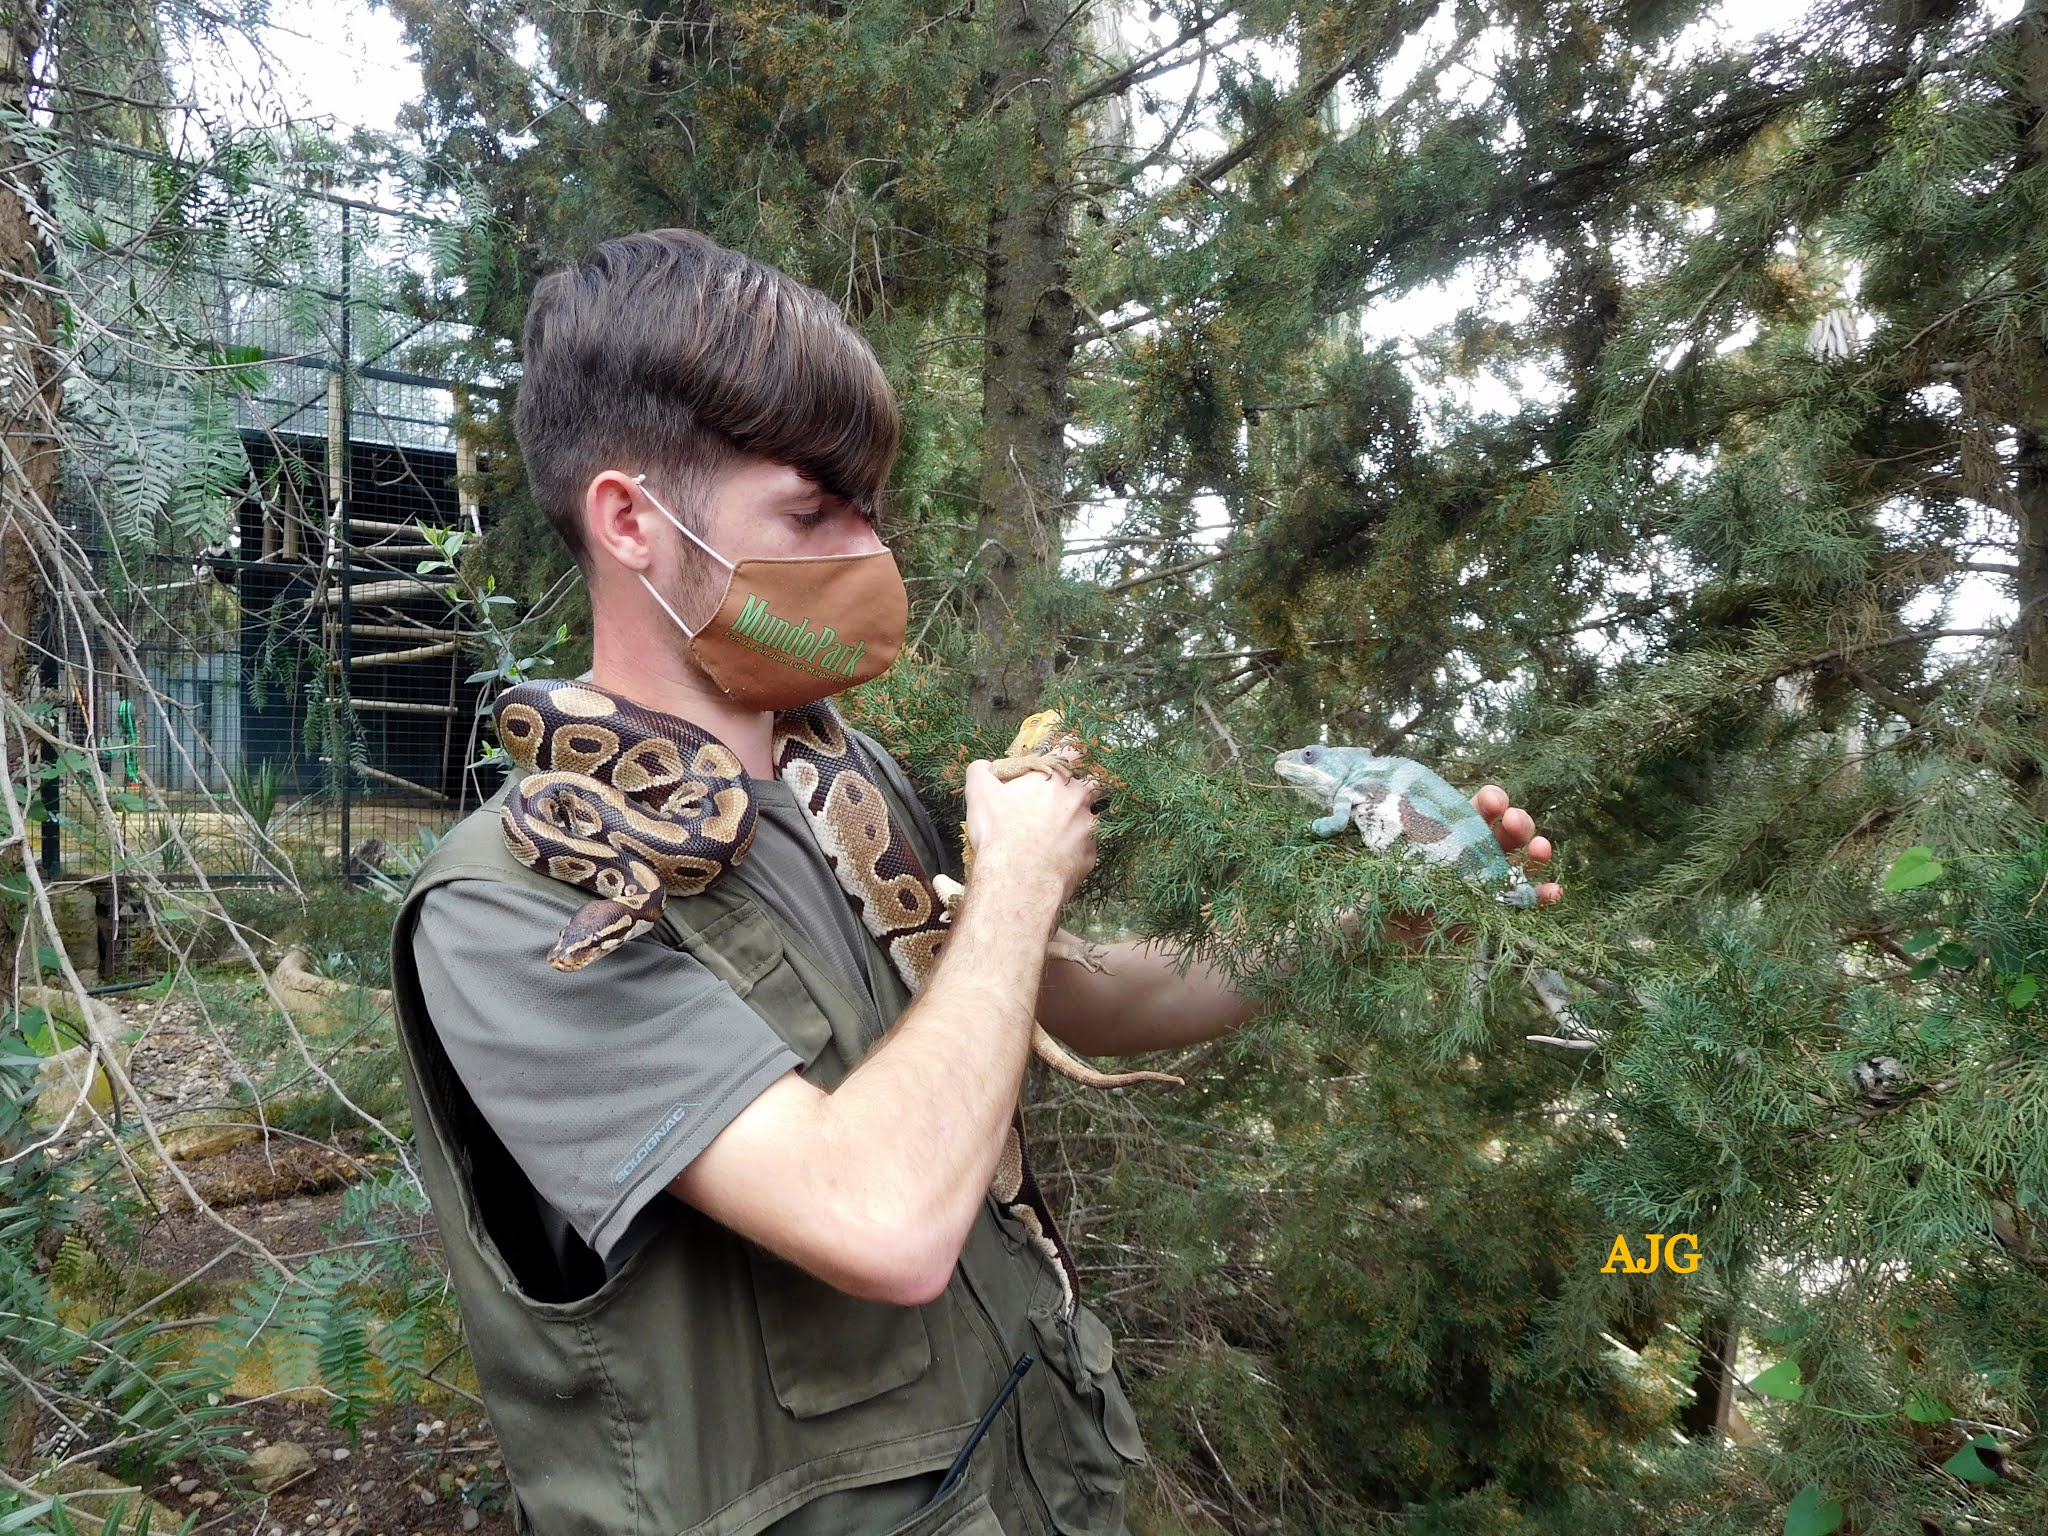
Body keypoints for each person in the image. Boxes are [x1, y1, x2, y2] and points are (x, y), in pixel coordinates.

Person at [388, 228, 1561, 1536]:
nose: (864, 559)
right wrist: (1011, 882)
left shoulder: (844, 772)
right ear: (631, 525)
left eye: (869, 512)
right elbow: (880, 1218)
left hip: (1037, 1479)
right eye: (811, 513)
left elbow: (1066, 999)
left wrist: (1358, 920)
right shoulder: (510, 903)